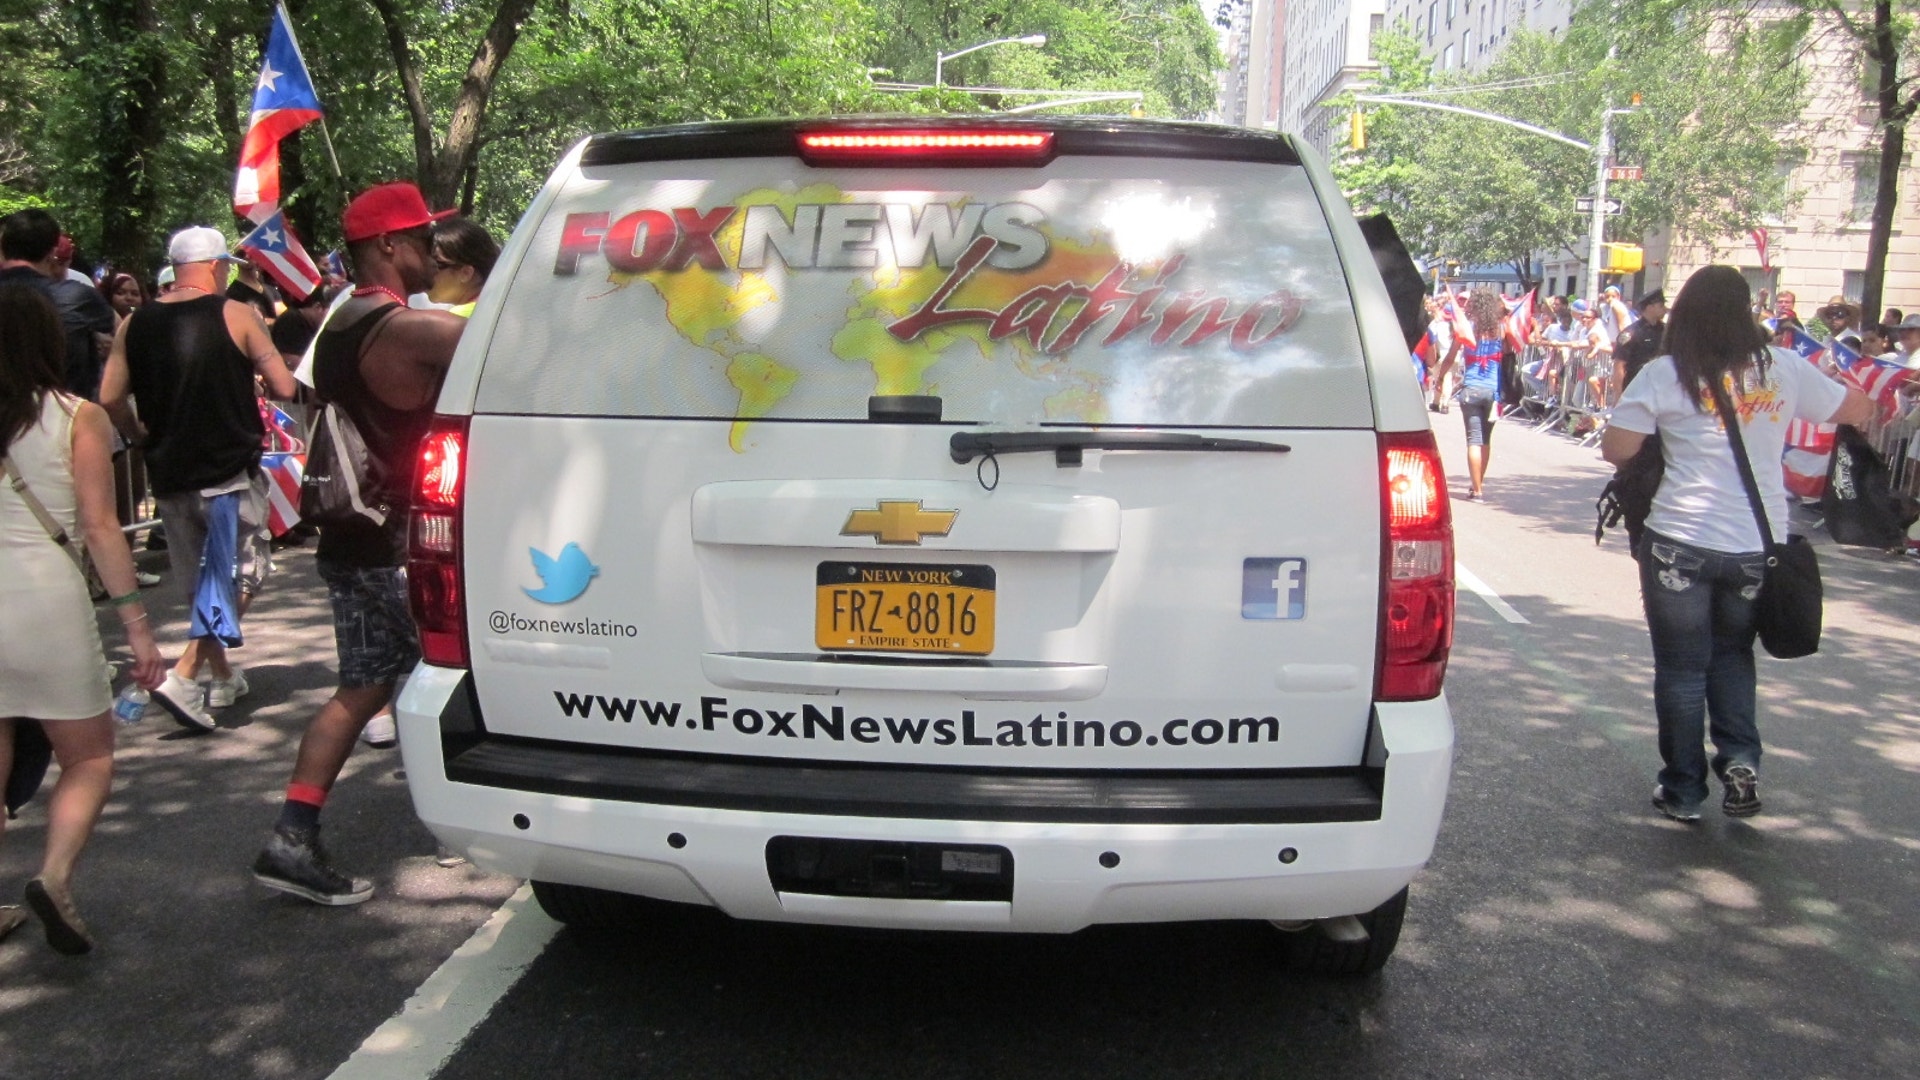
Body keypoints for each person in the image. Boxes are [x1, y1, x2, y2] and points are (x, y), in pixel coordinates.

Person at [251, 182, 465, 905]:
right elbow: (512, 342)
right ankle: (473, 827)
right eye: (425, 238)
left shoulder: (341, 320)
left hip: (351, 540)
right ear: (387, 247)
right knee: (472, 677)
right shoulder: (408, 330)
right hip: (398, 544)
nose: (438, 251)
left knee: (361, 688)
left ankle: (291, 837)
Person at [1602, 265, 1873, 823]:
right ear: (1745, 311)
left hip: (1678, 537)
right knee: (1731, 656)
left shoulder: (1664, 373)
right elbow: (1857, 410)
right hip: (1755, 543)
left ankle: (1682, 790)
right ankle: (1741, 762)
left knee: (1681, 669)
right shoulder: (1784, 368)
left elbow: (1617, 449)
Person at [0, 283, 168, 953]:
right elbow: (100, 527)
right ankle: (55, 876)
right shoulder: (77, 417)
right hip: (46, 601)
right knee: (90, 757)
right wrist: (137, 625)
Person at [98, 226, 297, 731]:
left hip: (169, 471)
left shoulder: (134, 324)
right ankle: (184, 675)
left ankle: (224, 676)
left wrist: (138, 434)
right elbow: (283, 385)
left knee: (199, 582)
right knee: (242, 574)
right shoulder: (237, 314)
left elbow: (110, 397)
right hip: (226, 470)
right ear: (215, 266)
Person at [0, 211, 115, 400]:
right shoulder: (78, 296)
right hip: (63, 417)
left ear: (3, 247)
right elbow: (112, 330)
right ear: (52, 253)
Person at [1455, 289, 1505, 501]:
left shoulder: (1466, 330)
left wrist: (1440, 379)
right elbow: (1520, 342)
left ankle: (1477, 491)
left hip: (1471, 390)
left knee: (1473, 440)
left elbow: (1450, 357)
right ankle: (1478, 483)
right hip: (1493, 392)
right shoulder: (1500, 330)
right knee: (1486, 440)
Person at [1614, 289, 1666, 391]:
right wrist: (1618, 397)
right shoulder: (1631, 333)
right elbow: (1619, 366)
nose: (1665, 309)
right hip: (1636, 387)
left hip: (1660, 387)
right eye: (1661, 305)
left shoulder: (1667, 331)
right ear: (1650, 307)